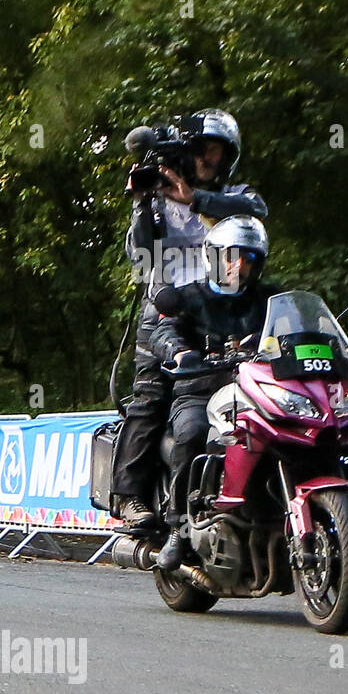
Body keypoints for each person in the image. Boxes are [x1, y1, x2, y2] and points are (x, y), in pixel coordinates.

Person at [111, 109, 268, 531]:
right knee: (148, 400)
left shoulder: (234, 194)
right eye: (199, 149)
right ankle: (130, 498)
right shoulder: (157, 197)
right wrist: (145, 202)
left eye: (214, 150)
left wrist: (193, 199)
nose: (206, 158)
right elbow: (139, 255)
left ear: (228, 155)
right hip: (167, 311)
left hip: (223, 309)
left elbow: (258, 208)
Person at [148, 214, 273, 569]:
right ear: (213, 256)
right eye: (231, 256)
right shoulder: (188, 297)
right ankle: (178, 528)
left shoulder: (270, 299)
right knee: (192, 432)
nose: (237, 265)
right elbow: (163, 332)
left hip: (259, 391)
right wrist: (178, 351)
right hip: (200, 390)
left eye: (247, 258)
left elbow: (299, 329)